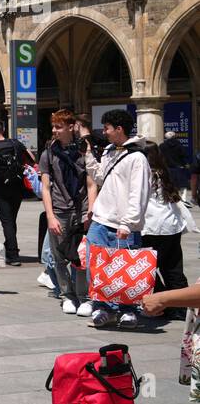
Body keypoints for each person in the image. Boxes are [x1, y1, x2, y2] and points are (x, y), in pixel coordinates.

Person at [86, 108, 150, 329]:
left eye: (107, 128)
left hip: (123, 224)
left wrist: (128, 223)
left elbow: (138, 192)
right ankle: (102, 307)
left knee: (125, 268)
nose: (104, 132)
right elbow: (101, 177)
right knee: (97, 266)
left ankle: (128, 310)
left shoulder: (137, 157)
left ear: (119, 129)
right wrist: (88, 156)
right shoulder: (110, 151)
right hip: (101, 219)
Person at [39, 109, 96, 318]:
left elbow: (91, 184)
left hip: (81, 211)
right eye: (53, 126)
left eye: (59, 126)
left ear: (71, 127)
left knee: (80, 257)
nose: (54, 130)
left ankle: (84, 297)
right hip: (59, 211)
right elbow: (46, 188)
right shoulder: (49, 153)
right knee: (59, 256)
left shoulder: (84, 152)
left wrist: (90, 211)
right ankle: (67, 295)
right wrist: (50, 216)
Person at [141, 139, 194, 320]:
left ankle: (163, 303)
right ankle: (182, 307)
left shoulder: (144, 174)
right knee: (173, 268)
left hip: (151, 228)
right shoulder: (164, 172)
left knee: (147, 270)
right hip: (170, 225)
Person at [0, 120, 33, 266]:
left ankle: (13, 254)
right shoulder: (15, 143)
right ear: (3, 129)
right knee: (11, 219)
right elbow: (31, 158)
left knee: (7, 221)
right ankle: (9, 246)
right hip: (17, 186)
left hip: (1, 187)